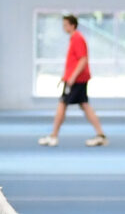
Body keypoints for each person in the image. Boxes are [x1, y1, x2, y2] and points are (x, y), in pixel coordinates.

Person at [39, 13, 108, 147]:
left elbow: (83, 60)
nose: (63, 27)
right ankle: (100, 135)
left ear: (72, 25)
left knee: (62, 104)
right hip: (75, 79)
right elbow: (74, 61)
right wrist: (66, 76)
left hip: (77, 80)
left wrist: (72, 77)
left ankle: (53, 136)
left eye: (66, 25)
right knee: (84, 105)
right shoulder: (73, 39)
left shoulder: (77, 38)